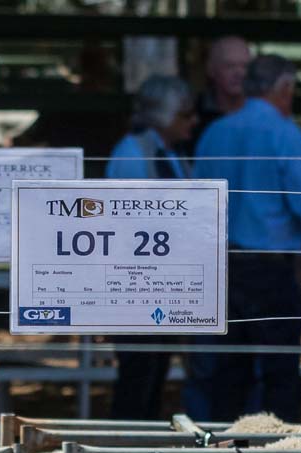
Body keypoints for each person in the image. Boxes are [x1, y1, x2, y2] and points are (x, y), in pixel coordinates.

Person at [191, 54, 301, 423]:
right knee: (278, 372)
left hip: (221, 265)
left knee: (226, 372)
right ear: (284, 89)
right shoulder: (284, 134)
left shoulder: (214, 134)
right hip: (271, 265)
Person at [108, 73, 195, 422]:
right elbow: (126, 221)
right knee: (138, 374)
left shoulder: (168, 153)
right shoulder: (133, 154)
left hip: (160, 282)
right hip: (137, 285)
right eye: (185, 114)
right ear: (163, 115)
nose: (192, 121)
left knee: (153, 371)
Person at [193, 36, 251, 142]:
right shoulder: (192, 113)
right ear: (210, 69)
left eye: (245, 66)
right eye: (229, 66)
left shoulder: (263, 113)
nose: (239, 73)